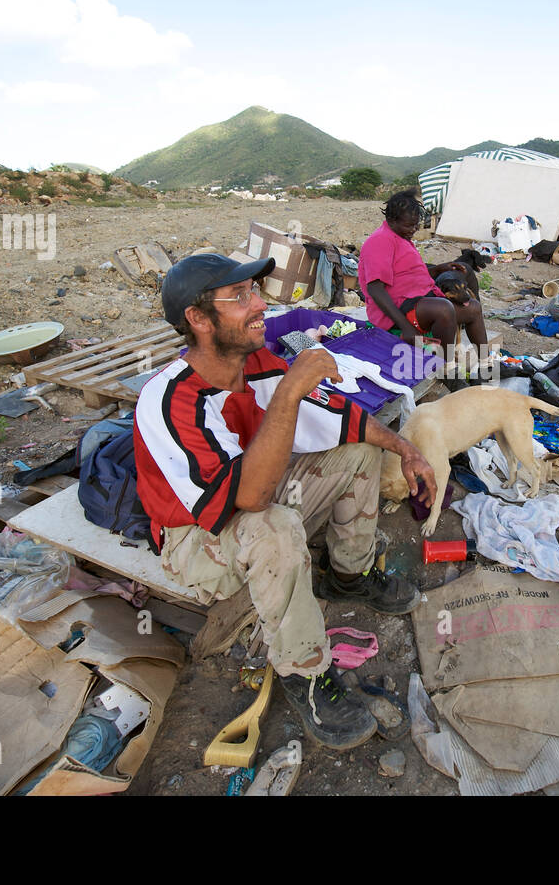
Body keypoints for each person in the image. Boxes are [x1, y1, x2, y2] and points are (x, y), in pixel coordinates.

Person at [134, 251, 438, 750]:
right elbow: (247, 500)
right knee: (275, 526)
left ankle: (350, 575)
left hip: (254, 495)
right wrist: (290, 390)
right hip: (195, 539)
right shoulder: (171, 399)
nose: (259, 305)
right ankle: (304, 670)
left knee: (359, 450)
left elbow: (339, 413)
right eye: (239, 297)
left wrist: (405, 447)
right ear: (198, 319)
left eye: (255, 291)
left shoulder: (255, 362)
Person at [359, 190, 488, 364]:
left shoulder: (399, 236)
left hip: (415, 300)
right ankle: (447, 369)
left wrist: (439, 269)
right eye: (408, 226)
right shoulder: (380, 241)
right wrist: (406, 327)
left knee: (473, 308)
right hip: (395, 310)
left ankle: (487, 363)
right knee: (444, 309)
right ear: (391, 220)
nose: (413, 230)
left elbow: (407, 278)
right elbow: (375, 289)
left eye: (416, 225)